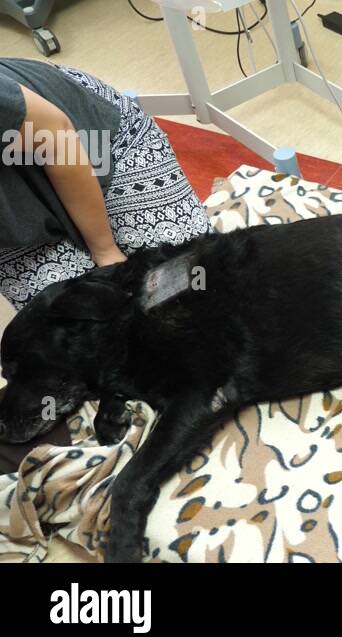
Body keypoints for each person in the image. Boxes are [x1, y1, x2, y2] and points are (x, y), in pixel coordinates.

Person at [0, 57, 212, 473]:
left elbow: (56, 136)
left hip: (92, 145)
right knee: (63, 340)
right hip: (15, 216)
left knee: (188, 283)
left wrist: (105, 254)